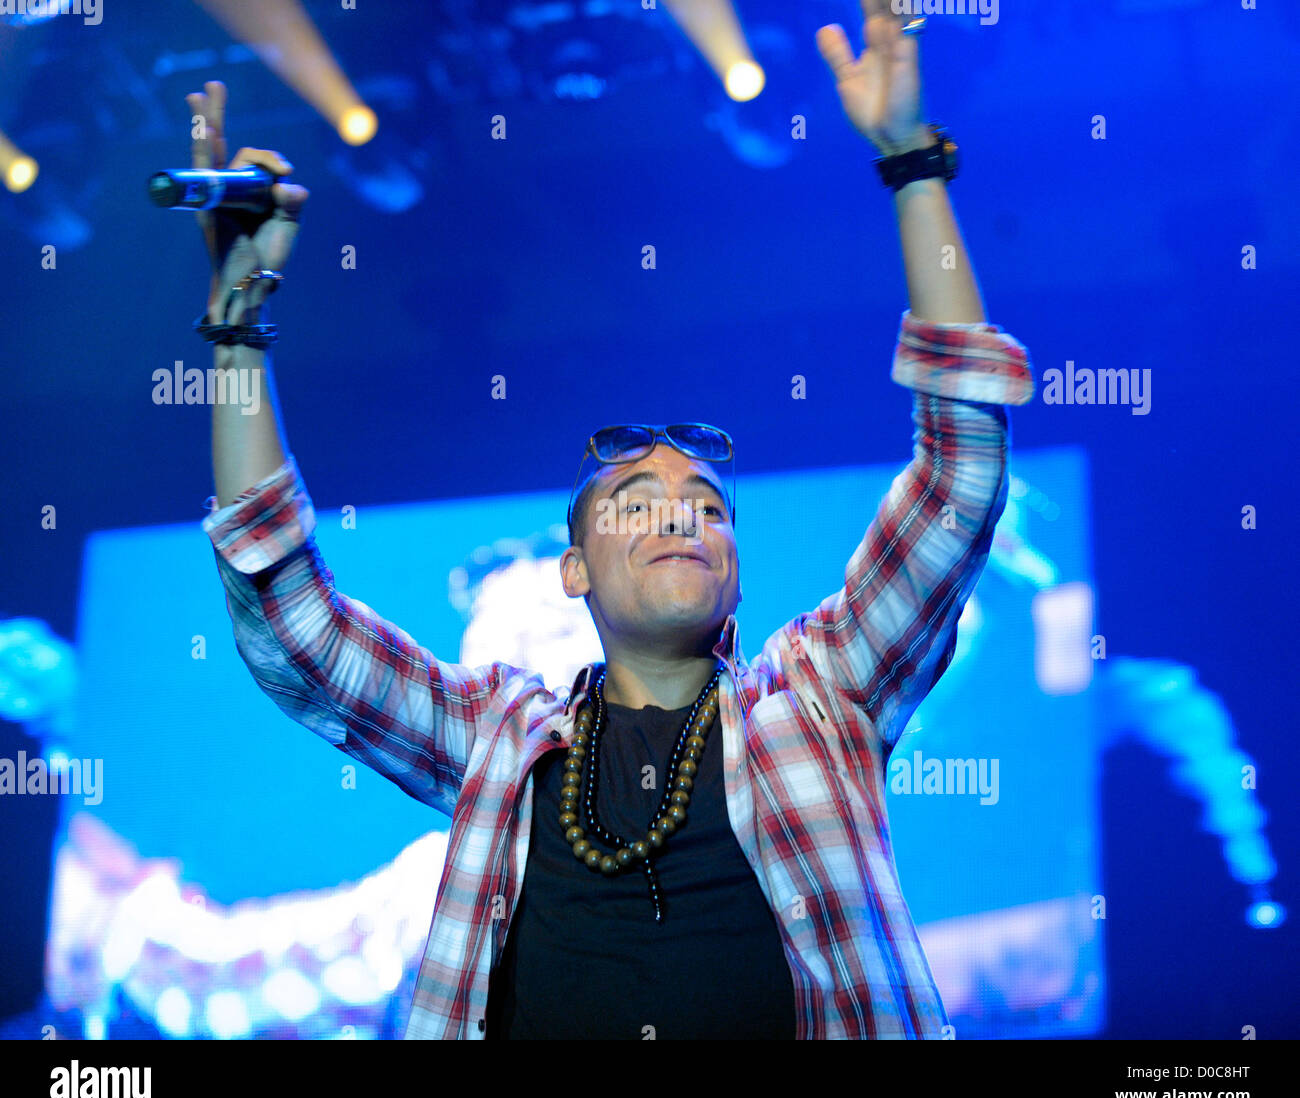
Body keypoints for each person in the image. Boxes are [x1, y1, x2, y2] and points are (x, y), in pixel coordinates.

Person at [194, 0, 1034, 1039]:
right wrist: (236, 330)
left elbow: (959, 474)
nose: (678, 516)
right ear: (574, 572)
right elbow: (291, 619)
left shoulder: (823, 693)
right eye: (634, 505)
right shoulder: (497, 739)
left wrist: (912, 164)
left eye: (704, 508)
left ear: (733, 565)